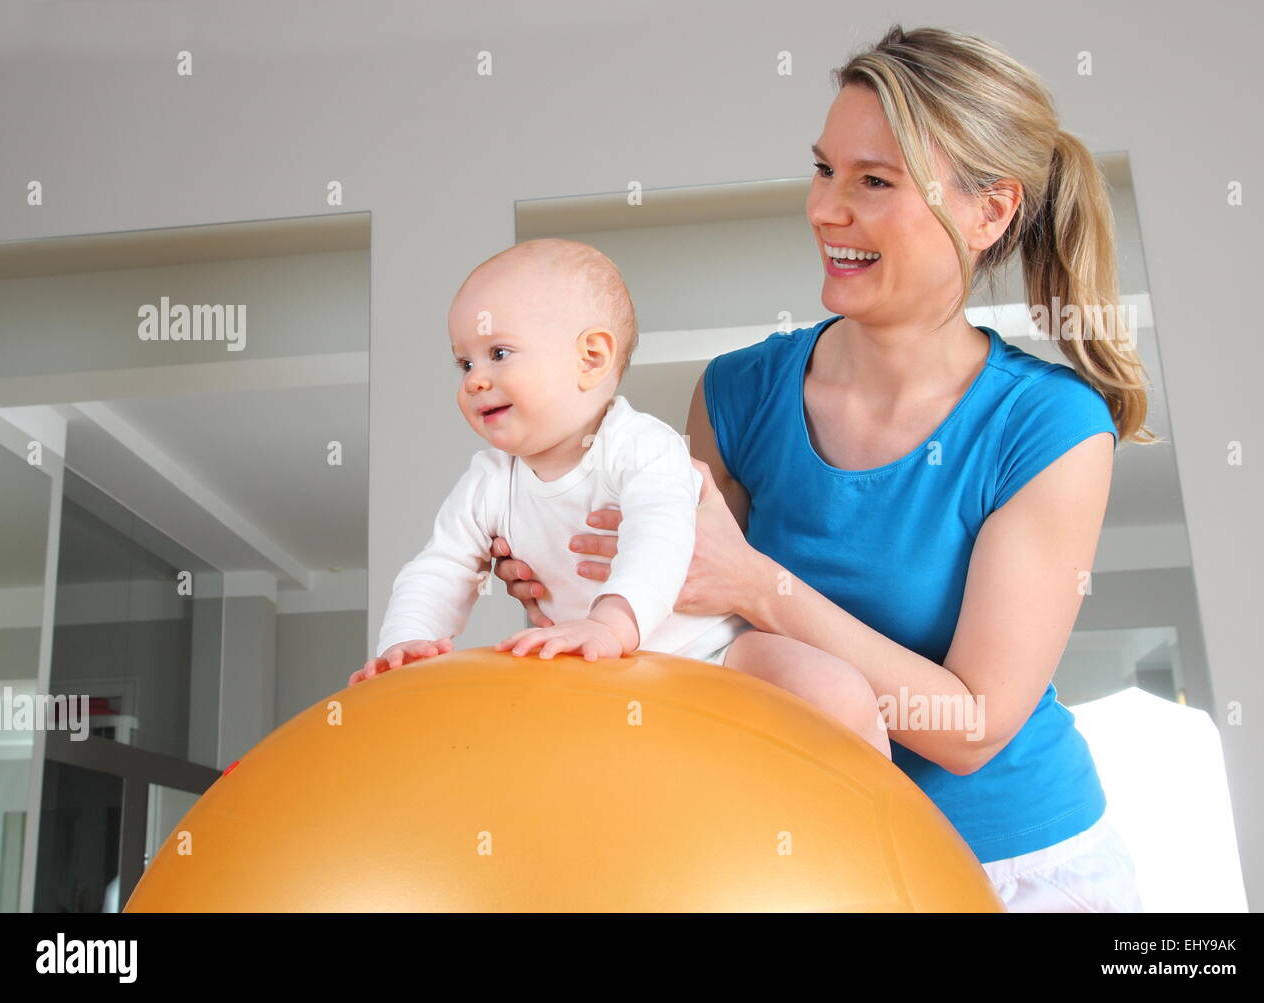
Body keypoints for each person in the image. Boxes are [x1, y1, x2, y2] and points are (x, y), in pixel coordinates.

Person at [490, 25, 1154, 911]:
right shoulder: (736, 396)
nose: (825, 208)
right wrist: (574, 593)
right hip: (813, 857)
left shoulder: (1047, 425)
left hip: (1018, 868)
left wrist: (760, 584)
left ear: (989, 212)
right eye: (823, 170)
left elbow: (970, 727)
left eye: (873, 181)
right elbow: (689, 643)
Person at [351, 237, 891, 757]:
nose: (474, 380)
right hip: (598, 672)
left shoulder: (641, 446)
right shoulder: (488, 480)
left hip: (715, 653)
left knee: (833, 689)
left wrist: (611, 622)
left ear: (590, 358)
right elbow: (440, 566)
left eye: (498, 353)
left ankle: (881, 822)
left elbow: (658, 536)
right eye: (465, 363)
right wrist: (408, 642)